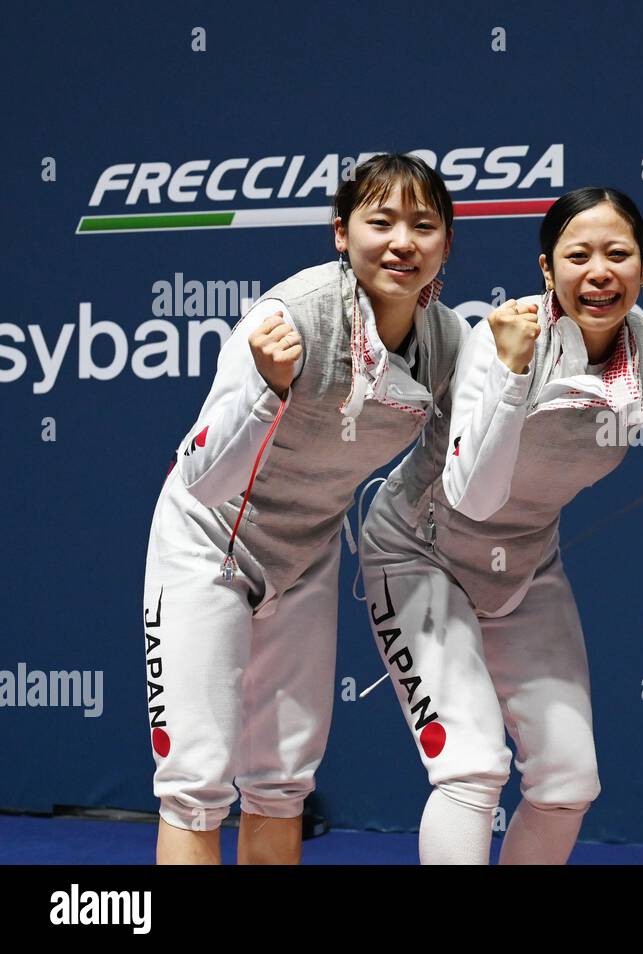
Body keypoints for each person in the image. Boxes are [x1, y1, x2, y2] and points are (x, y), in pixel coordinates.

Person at [142, 153, 465, 864]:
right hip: (208, 542)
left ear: (446, 242)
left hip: (309, 552)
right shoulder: (291, 316)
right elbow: (201, 476)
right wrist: (266, 385)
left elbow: (459, 474)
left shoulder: (448, 343)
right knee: (196, 781)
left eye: (423, 224)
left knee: (283, 782)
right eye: (379, 221)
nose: (402, 241)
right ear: (341, 234)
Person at [359, 186, 643, 864]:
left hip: (528, 566)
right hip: (420, 551)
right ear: (547, 269)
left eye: (617, 255)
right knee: (472, 766)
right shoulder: (499, 338)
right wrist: (511, 373)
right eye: (579, 255)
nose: (599, 272)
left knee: (568, 781)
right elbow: (474, 497)